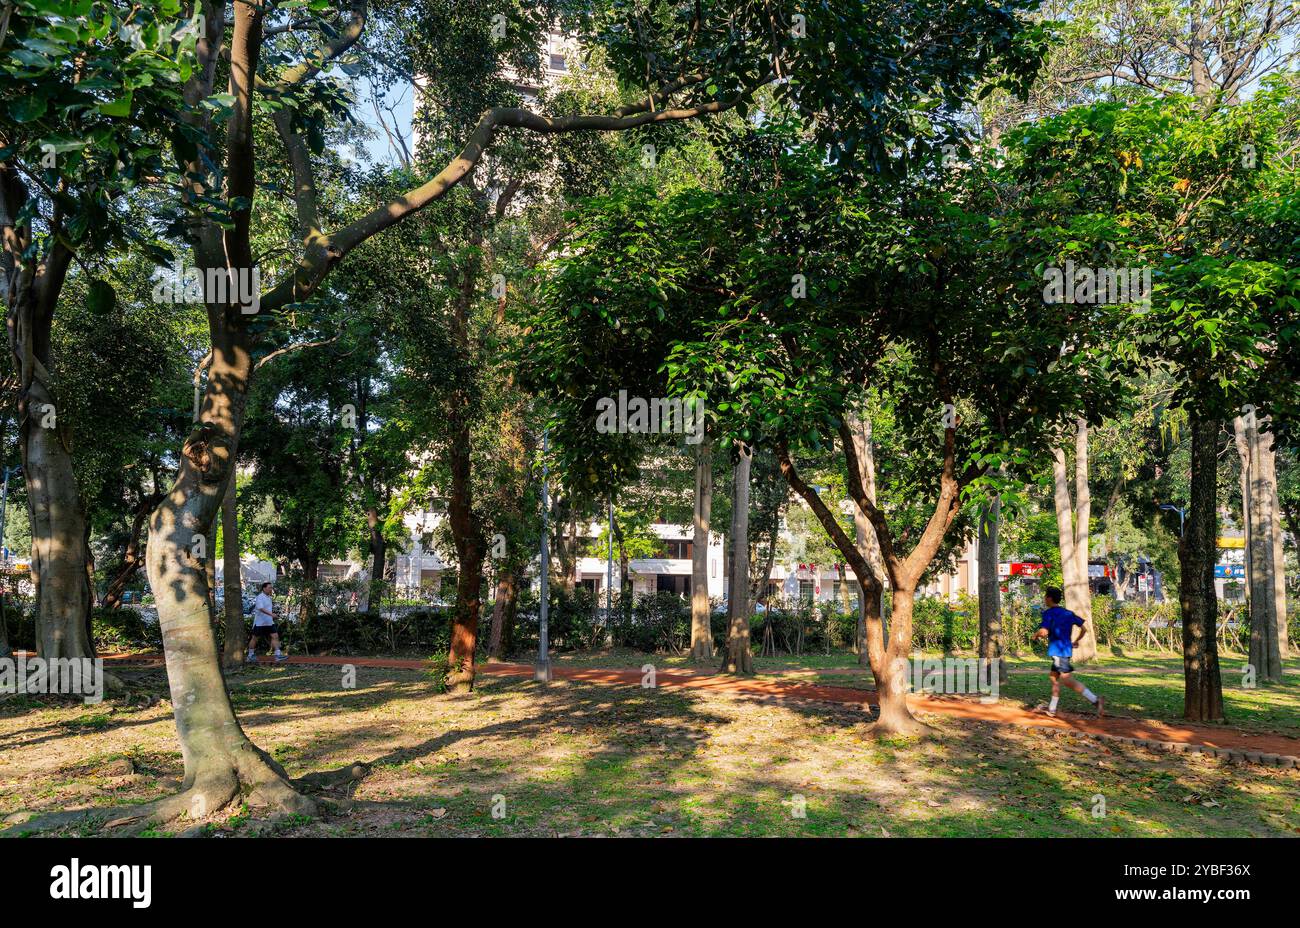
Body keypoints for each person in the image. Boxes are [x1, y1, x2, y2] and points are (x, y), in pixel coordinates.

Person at [1033, 586, 1104, 718]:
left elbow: (1044, 632)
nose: (1044, 599)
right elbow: (1084, 629)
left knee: (1066, 680)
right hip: (1064, 650)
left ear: (1049, 598)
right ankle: (1052, 709)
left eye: (1045, 596)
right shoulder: (1068, 613)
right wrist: (1076, 641)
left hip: (1058, 651)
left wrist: (1035, 635)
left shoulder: (1049, 613)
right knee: (1054, 678)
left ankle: (1095, 700)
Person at [247, 581, 287, 663]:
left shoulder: (269, 597)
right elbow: (261, 608)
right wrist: (271, 614)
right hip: (259, 623)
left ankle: (278, 655)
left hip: (269, 622)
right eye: (269, 588)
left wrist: (271, 617)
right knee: (254, 638)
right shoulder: (259, 597)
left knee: (275, 636)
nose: (271, 589)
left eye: (271, 588)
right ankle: (250, 655)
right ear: (264, 588)